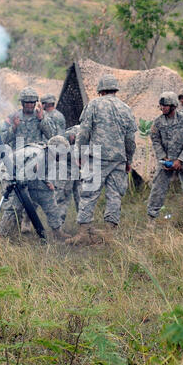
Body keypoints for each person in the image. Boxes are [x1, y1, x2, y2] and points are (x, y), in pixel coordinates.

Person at [66, 74, 137, 246]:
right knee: (115, 196)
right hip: (119, 159)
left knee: (89, 193)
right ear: (115, 90)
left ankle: (83, 233)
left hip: (96, 157)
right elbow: (130, 140)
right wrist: (129, 160)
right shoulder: (126, 108)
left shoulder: (93, 105)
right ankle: (109, 234)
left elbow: (83, 133)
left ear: (100, 90)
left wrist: (79, 154)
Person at [0, 136, 70, 242]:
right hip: (11, 175)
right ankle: (3, 237)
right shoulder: (38, 155)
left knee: (48, 197)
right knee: (15, 206)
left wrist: (47, 182)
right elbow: (23, 176)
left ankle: (57, 232)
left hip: (27, 177)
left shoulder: (49, 156)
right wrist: (25, 197)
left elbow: (39, 172)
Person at [147, 91, 183, 220]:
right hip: (166, 161)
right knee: (157, 189)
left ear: (173, 106)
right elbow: (155, 140)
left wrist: (181, 160)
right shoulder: (158, 122)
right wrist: (164, 158)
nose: (162, 108)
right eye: (161, 105)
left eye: (165, 105)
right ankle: (151, 219)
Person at [53, 125, 81, 224]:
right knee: (62, 197)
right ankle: (57, 227)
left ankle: (84, 227)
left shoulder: (100, 133)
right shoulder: (75, 131)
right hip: (67, 167)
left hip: (83, 168)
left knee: (83, 197)